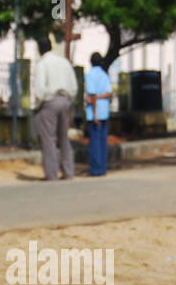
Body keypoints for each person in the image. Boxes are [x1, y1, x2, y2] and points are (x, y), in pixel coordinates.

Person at [32, 36, 78, 180]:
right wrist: (68, 100)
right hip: (65, 100)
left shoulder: (42, 64)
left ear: (39, 49)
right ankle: (68, 172)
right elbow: (74, 86)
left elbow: (39, 89)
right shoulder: (64, 62)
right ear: (51, 46)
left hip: (49, 101)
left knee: (48, 138)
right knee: (64, 138)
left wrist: (38, 105)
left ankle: (52, 174)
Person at [83, 52, 114, 177]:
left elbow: (93, 94)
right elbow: (109, 93)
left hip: (94, 113)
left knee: (95, 142)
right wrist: (100, 97)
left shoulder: (90, 75)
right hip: (104, 111)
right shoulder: (104, 74)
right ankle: (102, 168)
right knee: (102, 141)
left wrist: (94, 114)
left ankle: (96, 169)